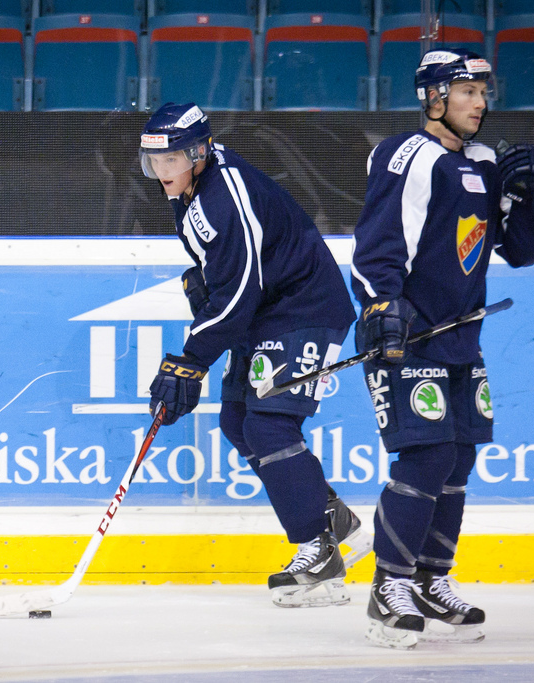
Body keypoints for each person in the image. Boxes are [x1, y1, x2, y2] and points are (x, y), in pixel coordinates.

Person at [349, 49, 534, 648]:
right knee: (426, 458)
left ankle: (430, 579)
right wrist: (383, 306)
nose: (480, 104)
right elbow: (378, 241)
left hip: (462, 336)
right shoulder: (407, 155)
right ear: (433, 97)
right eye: (467, 93)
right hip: (405, 335)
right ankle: (390, 588)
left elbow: (520, 250)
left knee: (458, 460)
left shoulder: (486, 163)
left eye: (484, 94)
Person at [140, 102, 372, 608]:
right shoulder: (194, 185)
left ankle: (318, 550)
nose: (162, 173)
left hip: (303, 308)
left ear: (199, 154)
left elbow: (243, 290)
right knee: (239, 421)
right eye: (154, 162)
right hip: (271, 311)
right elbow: (234, 279)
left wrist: (193, 358)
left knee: (270, 426)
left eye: (172, 161)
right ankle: (332, 518)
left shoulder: (225, 197)